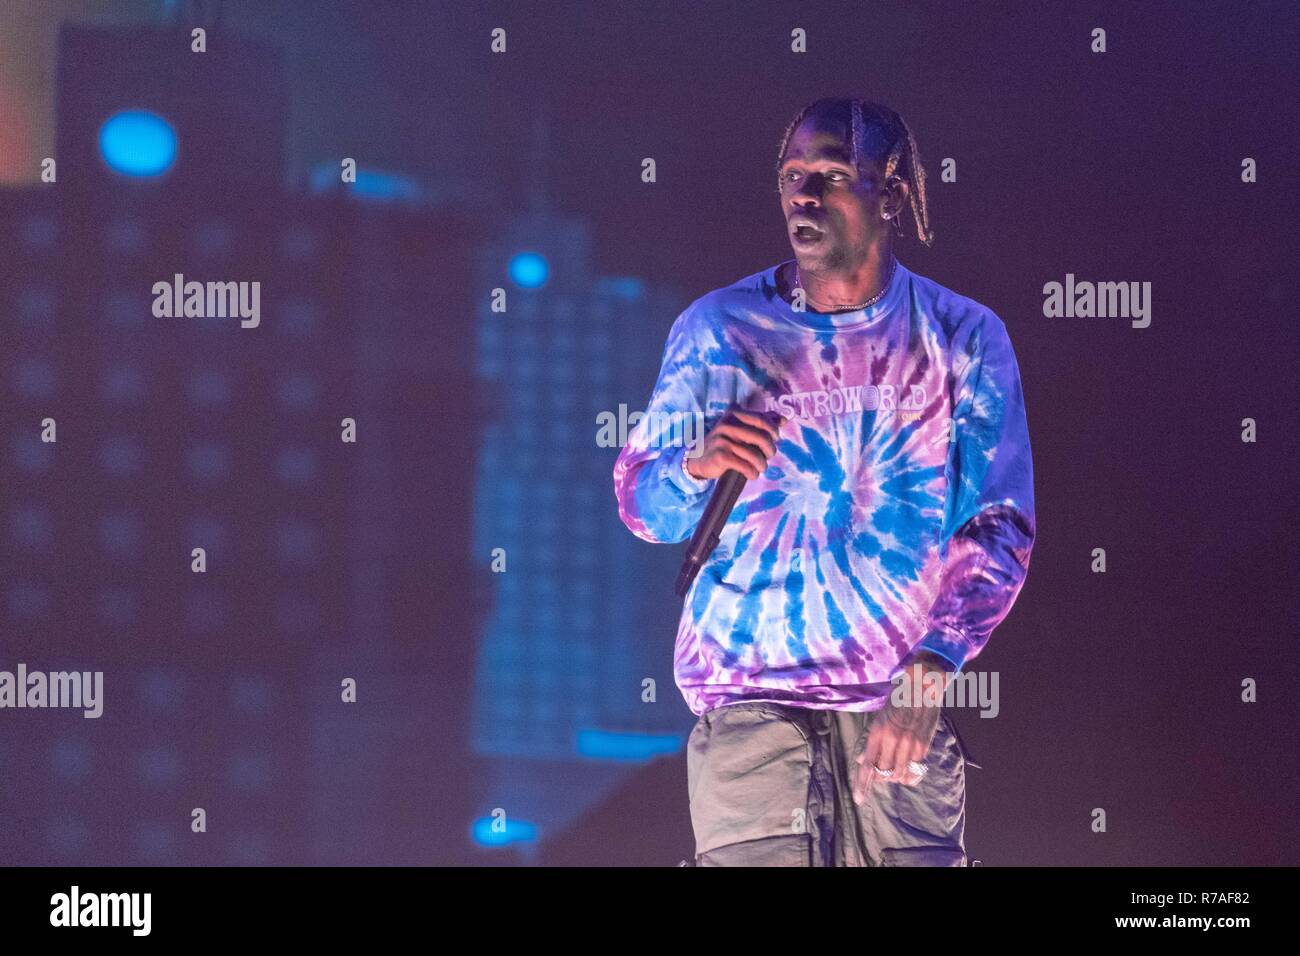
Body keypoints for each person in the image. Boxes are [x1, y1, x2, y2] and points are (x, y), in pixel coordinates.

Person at [613, 97, 1035, 866]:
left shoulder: (964, 337)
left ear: (894, 192)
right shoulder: (718, 331)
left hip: (897, 715)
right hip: (750, 711)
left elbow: (998, 527)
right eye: (792, 176)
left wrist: (932, 669)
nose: (804, 195)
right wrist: (695, 464)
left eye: (833, 175)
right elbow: (645, 506)